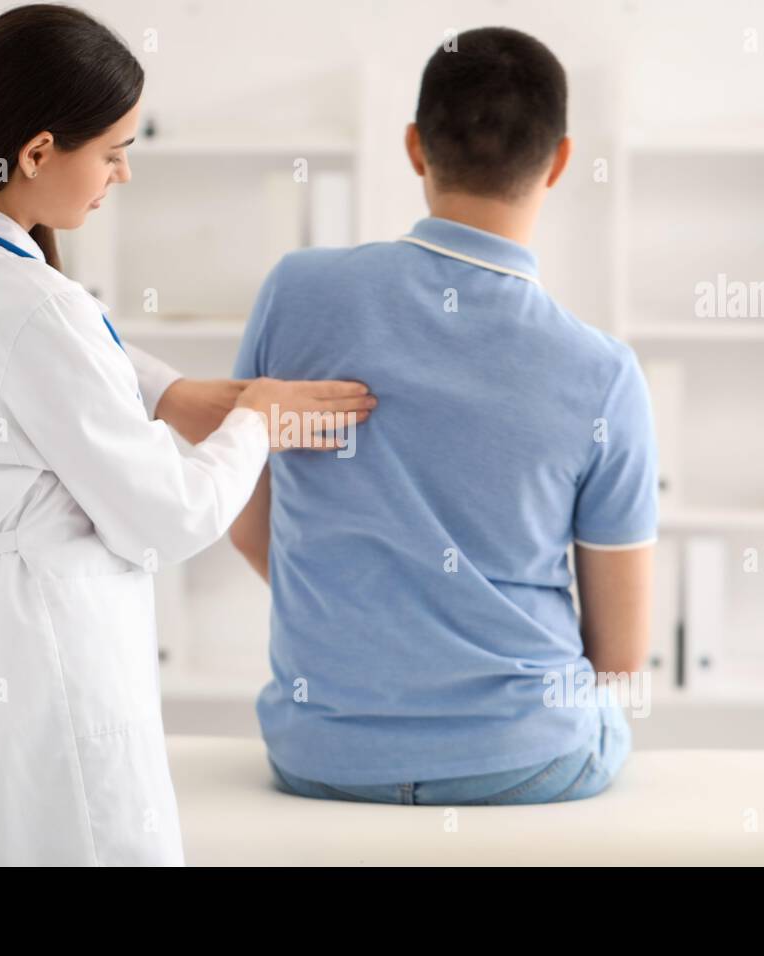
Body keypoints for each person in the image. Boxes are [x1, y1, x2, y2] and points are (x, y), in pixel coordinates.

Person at [0, 4, 374, 865]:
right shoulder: (35, 306)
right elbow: (170, 516)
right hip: (47, 671)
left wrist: (168, 392)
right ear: (35, 153)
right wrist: (256, 422)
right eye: (112, 151)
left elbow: (14, 355)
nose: (123, 174)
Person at [230, 27, 656, 805]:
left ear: (414, 147)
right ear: (559, 160)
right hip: (526, 763)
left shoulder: (295, 293)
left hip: (318, 754)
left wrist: (364, 603)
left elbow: (242, 518)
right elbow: (621, 658)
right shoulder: (603, 373)